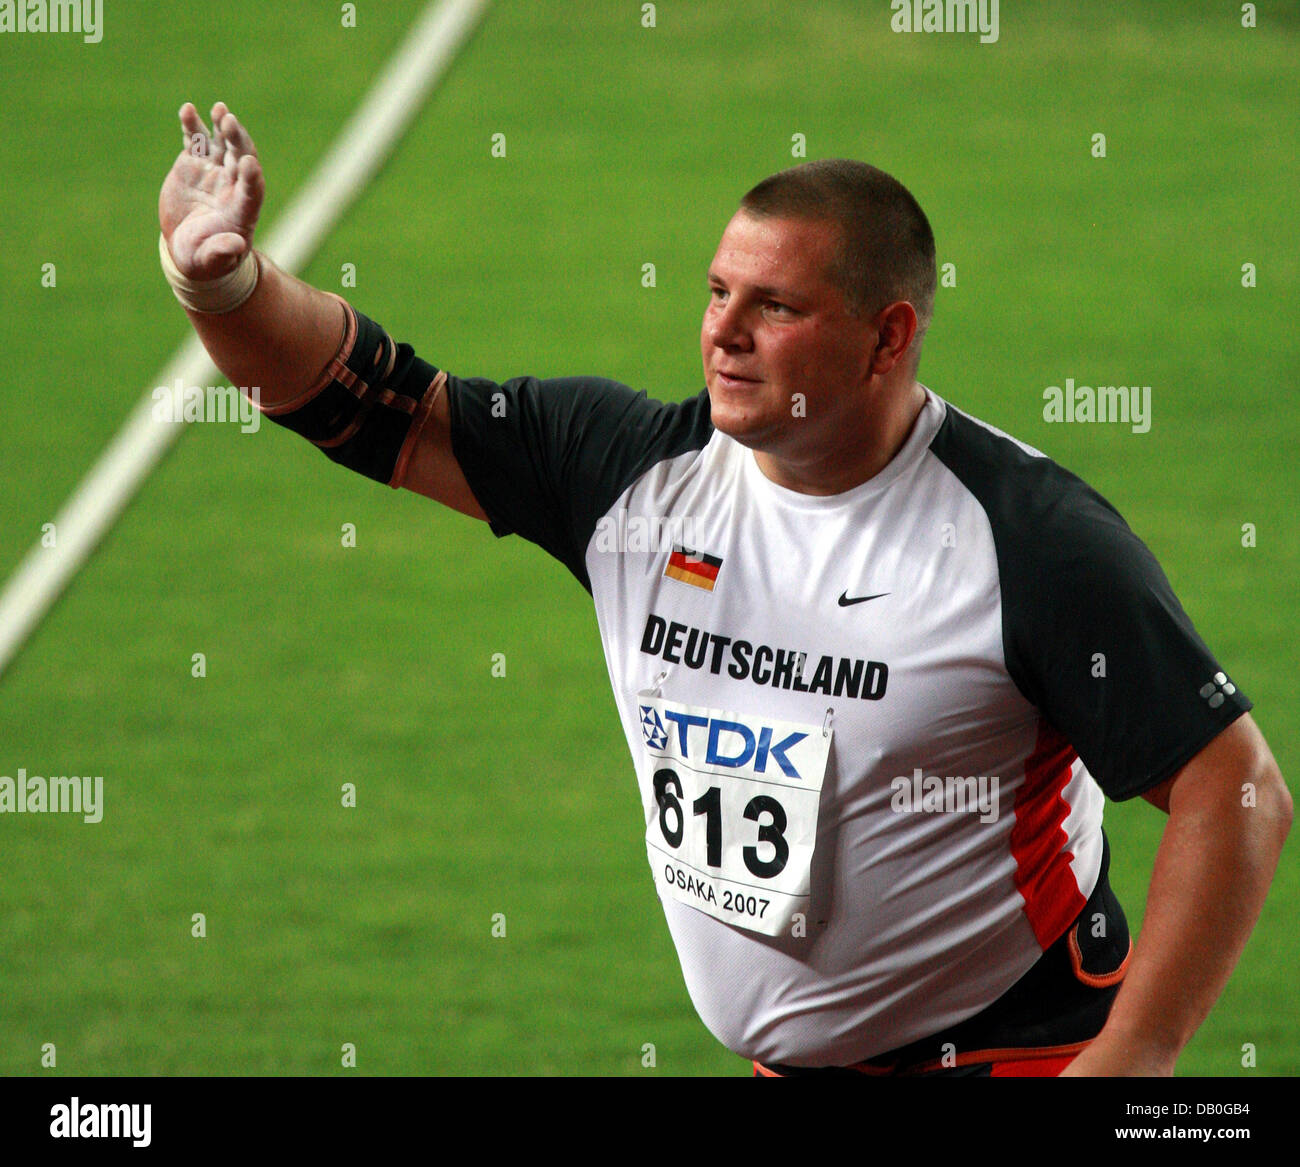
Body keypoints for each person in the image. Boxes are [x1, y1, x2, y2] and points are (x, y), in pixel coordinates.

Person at [158, 101, 1291, 1077]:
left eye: (775, 309)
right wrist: (224, 285)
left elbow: (1233, 789)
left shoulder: (1029, 544)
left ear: (886, 336)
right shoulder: (629, 477)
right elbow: (372, 404)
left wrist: (1133, 1062)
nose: (722, 335)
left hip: (1016, 1049)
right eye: (715, 292)